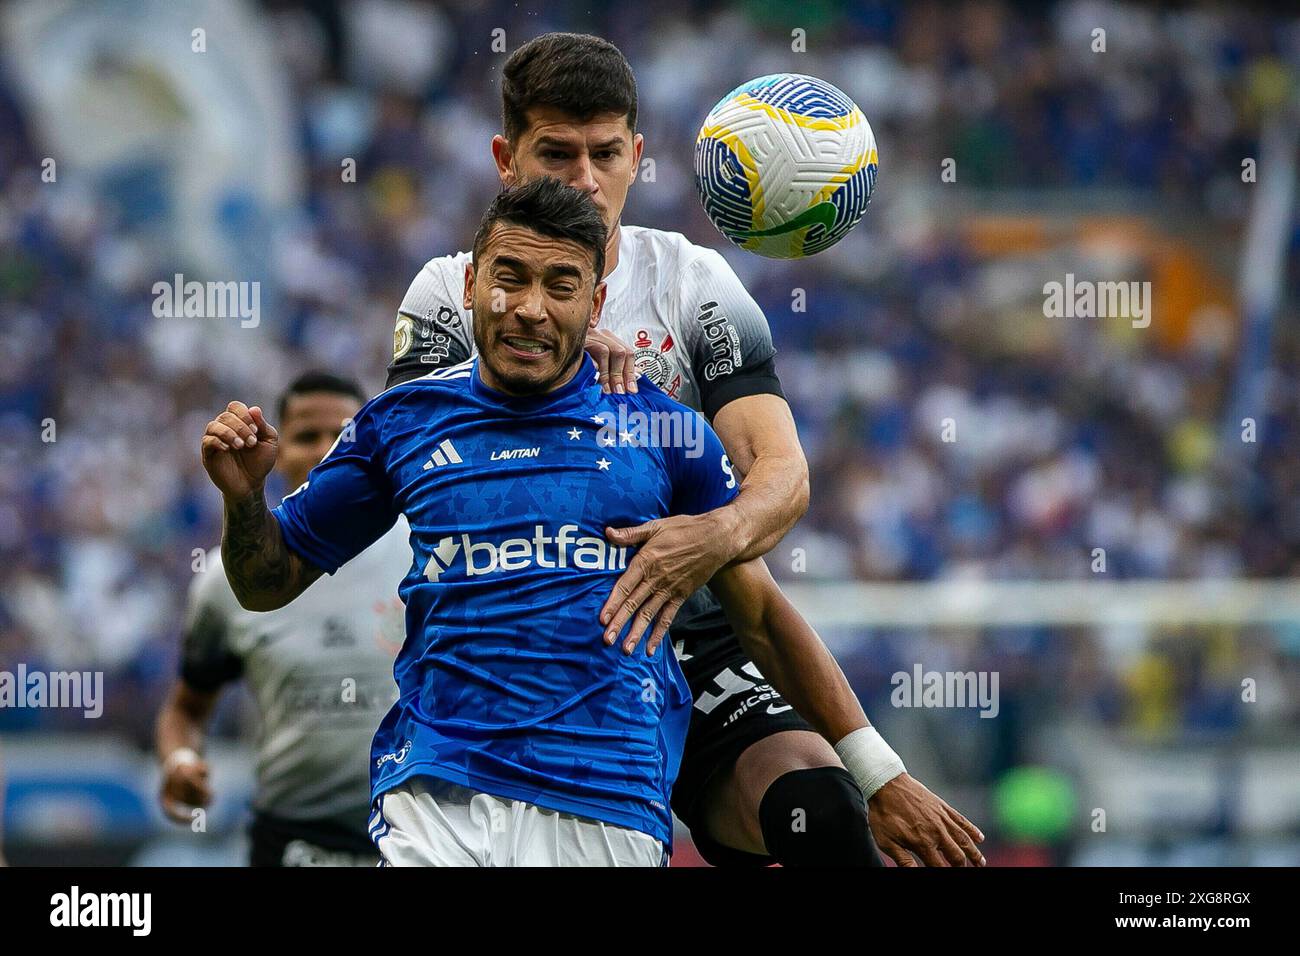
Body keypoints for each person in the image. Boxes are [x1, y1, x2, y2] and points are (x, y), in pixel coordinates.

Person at [384, 33, 982, 866]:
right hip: (517, 641)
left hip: (688, 636)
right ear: (505, 160)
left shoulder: (695, 284)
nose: (584, 181)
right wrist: (560, 379)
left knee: (823, 809)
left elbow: (783, 477)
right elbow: (412, 468)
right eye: (555, 153)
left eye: (605, 154)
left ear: (637, 155)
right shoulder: (451, 293)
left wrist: (711, 537)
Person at [158, 372, 407, 866]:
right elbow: (187, 708)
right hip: (290, 841)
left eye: (341, 436)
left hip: (415, 830)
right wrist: (181, 760)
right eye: (304, 437)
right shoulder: (225, 579)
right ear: (276, 450)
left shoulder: (426, 549)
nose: (323, 451)